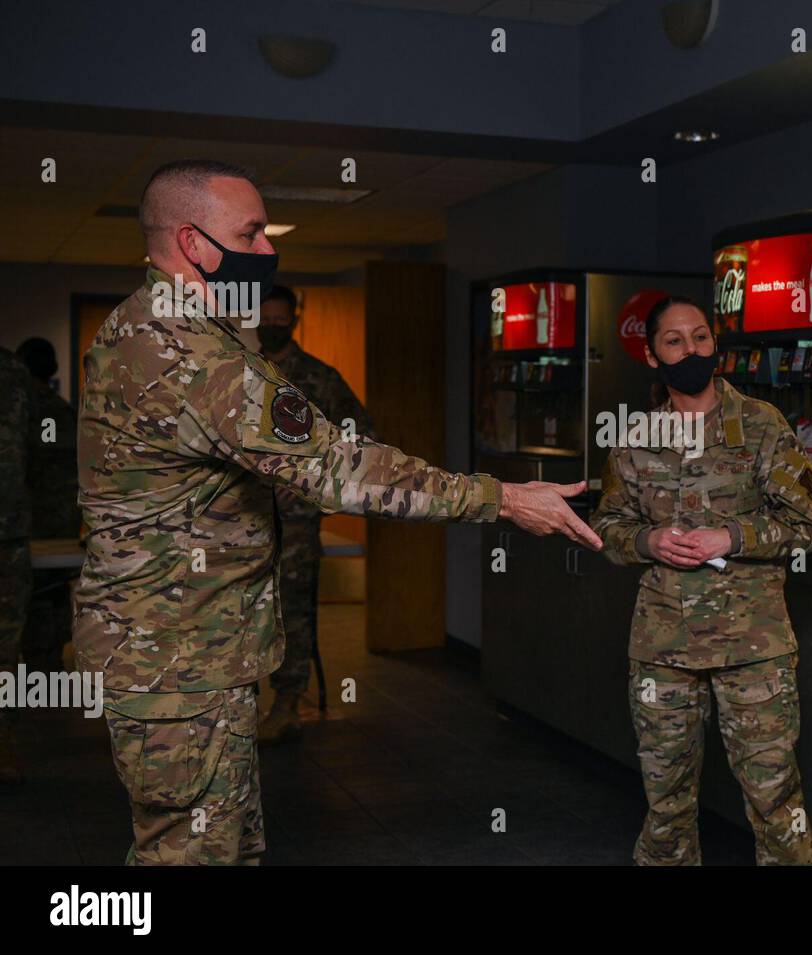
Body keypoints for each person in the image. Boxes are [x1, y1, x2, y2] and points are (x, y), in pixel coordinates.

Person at [75, 158, 600, 865]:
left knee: (225, 844)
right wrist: (502, 497)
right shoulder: (188, 355)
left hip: (187, 650)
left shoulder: (157, 325)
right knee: (187, 854)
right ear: (195, 243)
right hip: (177, 663)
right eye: (253, 233)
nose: (268, 251)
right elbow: (339, 466)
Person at [592, 296, 812, 865]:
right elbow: (608, 527)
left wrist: (732, 538)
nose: (691, 349)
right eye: (674, 341)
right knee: (666, 806)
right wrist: (647, 542)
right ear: (652, 356)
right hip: (663, 648)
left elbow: (811, 520)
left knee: (776, 805)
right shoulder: (634, 437)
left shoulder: (760, 425)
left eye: (701, 337)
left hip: (753, 647)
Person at [254, 286, 377, 744]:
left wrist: (319, 481)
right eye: (265, 316)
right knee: (244, 611)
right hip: (240, 520)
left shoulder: (319, 378)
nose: (272, 324)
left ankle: (287, 704)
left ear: (294, 320)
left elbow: (361, 437)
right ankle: (239, 703)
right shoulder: (241, 372)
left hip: (296, 521)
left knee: (293, 613)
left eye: (280, 318)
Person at [16, 337, 80, 675]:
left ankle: (44, 666)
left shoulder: (40, 410)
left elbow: (45, 454)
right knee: (53, 591)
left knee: (40, 592)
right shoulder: (57, 407)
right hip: (61, 514)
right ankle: (49, 663)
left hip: (40, 516)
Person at [0, 346, 39, 784]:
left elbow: (37, 442)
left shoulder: (13, 372)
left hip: (7, 528)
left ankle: (3, 737)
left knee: (6, 645)